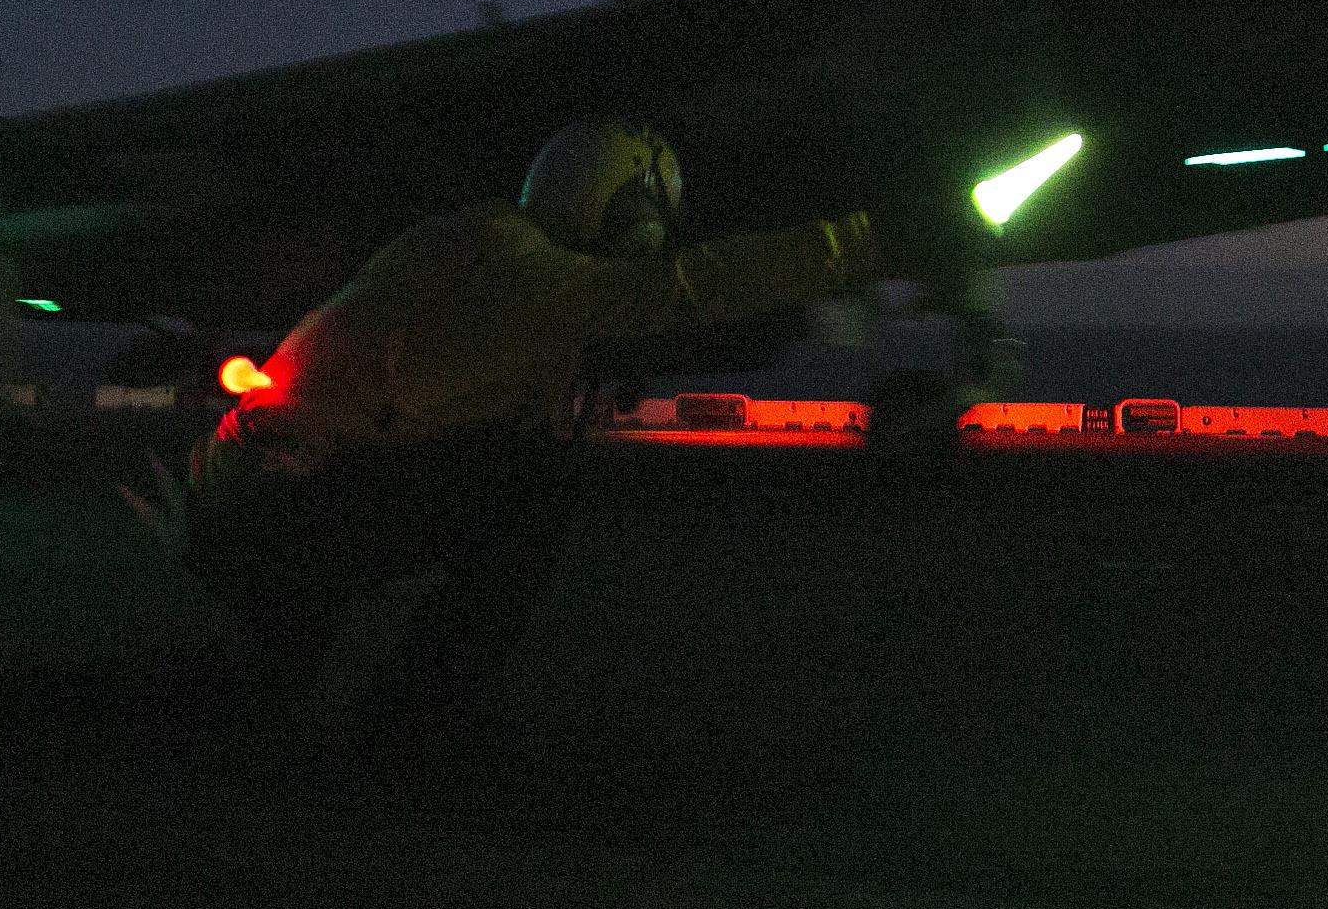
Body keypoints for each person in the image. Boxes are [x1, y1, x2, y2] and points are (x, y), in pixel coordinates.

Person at [178, 118, 932, 777]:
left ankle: (358, 727)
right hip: (292, 505)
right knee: (530, 497)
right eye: (646, 214)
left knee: (242, 698)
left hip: (264, 488)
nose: (649, 236)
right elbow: (683, 290)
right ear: (614, 202)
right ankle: (401, 738)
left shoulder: (472, 244)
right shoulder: (518, 266)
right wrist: (868, 241)